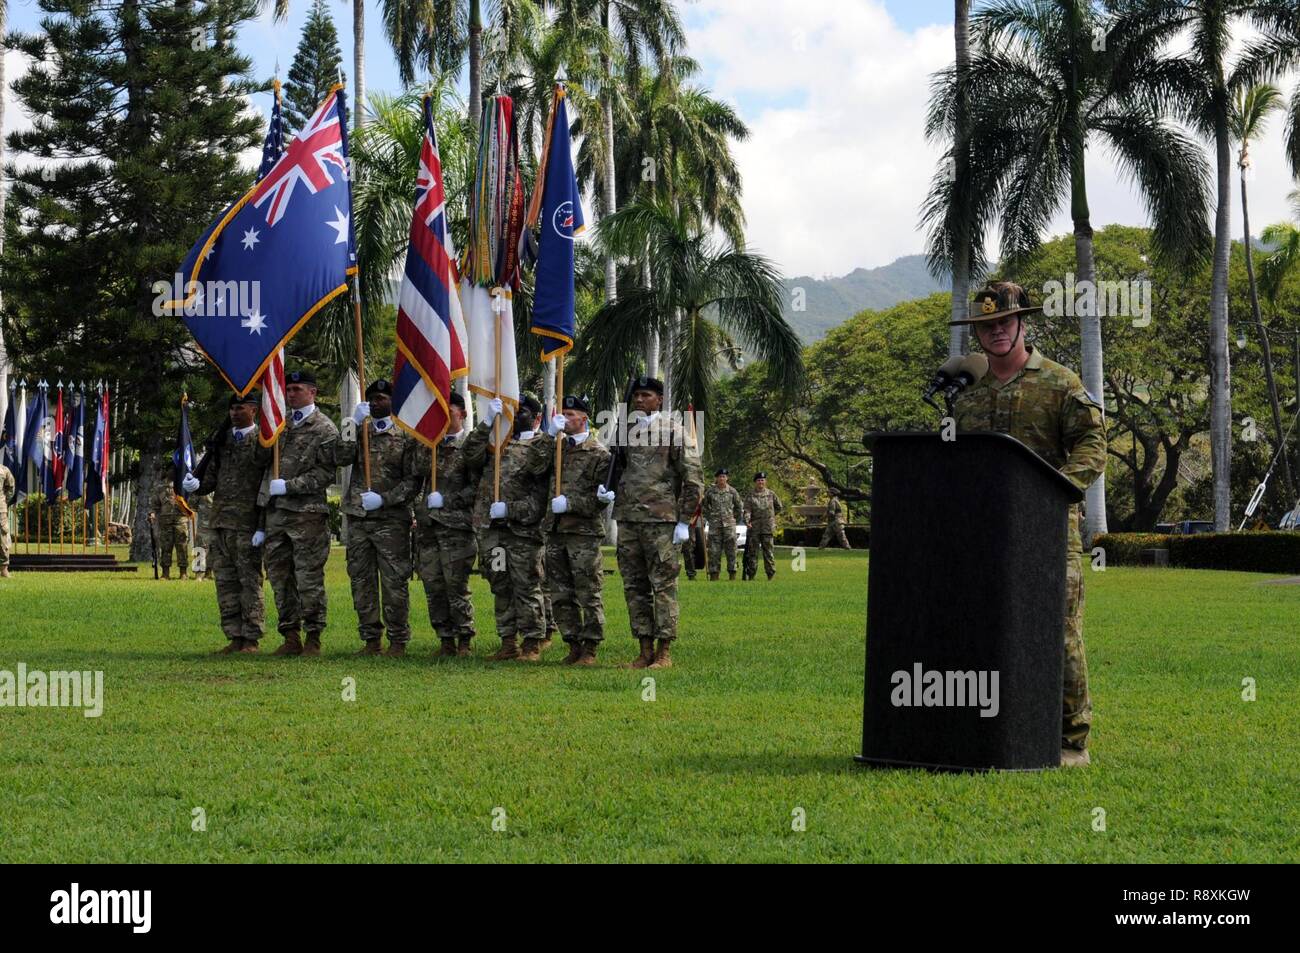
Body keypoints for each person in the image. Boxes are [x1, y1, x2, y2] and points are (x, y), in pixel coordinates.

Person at [949, 281, 1107, 768]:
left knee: (1058, 629)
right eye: (986, 325)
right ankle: (987, 726)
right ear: (976, 334)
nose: (997, 332)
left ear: (1022, 324)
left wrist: (1054, 489)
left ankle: (1070, 740)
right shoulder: (966, 397)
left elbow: (1093, 445)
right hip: (984, 533)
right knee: (979, 625)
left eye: (1004, 322)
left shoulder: (1059, 382)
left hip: (1048, 529)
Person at [605, 376, 704, 669]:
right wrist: (605, 486)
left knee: (663, 586)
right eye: (636, 396)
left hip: (661, 521)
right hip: (628, 519)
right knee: (634, 587)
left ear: (659, 399)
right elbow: (615, 469)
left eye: (646, 395)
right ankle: (644, 649)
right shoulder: (625, 432)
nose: (639, 400)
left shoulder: (675, 432)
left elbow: (694, 480)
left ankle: (664, 652)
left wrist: (684, 521)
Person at [461, 393, 553, 661]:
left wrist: (511, 510)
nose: (515, 416)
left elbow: (539, 483)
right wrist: (487, 421)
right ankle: (508, 641)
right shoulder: (495, 444)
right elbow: (469, 455)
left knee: (526, 585)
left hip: (522, 531)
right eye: (512, 411)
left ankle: (532, 643)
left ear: (536, 418)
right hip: (493, 531)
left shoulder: (541, 446)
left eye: (522, 411)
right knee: (500, 584)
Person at [338, 380, 420, 657]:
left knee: (393, 582)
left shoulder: (406, 436)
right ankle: (371, 640)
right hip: (359, 517)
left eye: (381, 398)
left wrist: (385, 499)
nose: (374, 402)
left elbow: (413, 481)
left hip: (390, 519)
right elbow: (340, 456)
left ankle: (398, 640)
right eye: (371, 398)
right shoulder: (360, 432)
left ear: (393, 402)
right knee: (361, 581)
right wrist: (351, 425)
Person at [261, 369, 339, 657]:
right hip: (277, 515)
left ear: (312, 392)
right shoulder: (278, 425)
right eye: (288, 389)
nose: (291, 394)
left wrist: (291, 486)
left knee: (308, 579)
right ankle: (290, 635)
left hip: (307, 515)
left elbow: (326, 473)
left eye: (296, 389)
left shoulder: (325, 429)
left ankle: (314, 637)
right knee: (280, 578)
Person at [186, 393, 271, 653]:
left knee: (248, 581)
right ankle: (234, 635)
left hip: (247, 522)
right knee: (225, 581)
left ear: (253, 411)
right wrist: (196, 484)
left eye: (240, 408)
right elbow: (211, 479)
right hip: (220, 521)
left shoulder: (262, 441)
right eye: (232, 408)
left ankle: (251, 637)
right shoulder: (222, 441)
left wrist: (262, 526)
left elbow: (267, 483)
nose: (234, 413)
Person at [544, 395, 611, 665]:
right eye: (563, 414)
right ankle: (572, 643)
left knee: (587, 591)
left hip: (582, 532)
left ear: (584, 419)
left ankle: (591, 648)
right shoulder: (557, 449)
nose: (565, 419)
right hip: (555, 530)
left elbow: (601, 499)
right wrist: (549, 436)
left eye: (571, 414)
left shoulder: (599, 454)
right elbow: (534, 465)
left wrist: (570, 504)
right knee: (560, 592)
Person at [414, 390, 480, 658]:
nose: (442, 416)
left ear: (462, 414)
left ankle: (464, 639)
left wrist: (449, 499)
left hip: (456, 528)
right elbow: (417, 473)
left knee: (456, 586)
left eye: (448, 411)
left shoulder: (470, 447)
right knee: (433, 585)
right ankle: (445, 639)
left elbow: (478, 487)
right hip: (429, 527)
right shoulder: (431, 445)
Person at [149, 460, 191, 580]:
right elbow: (155, 505)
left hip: (181, 521)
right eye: (170, 469)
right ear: (166, 471)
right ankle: (165, 573)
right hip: (165, 522)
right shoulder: (160, 488)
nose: (172, 471)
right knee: (166, 547)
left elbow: (190, 503)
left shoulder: (183, 486)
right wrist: (152, 513)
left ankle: (183, 572)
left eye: (175, 469)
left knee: (182, 547)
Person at [701, 467, 744, 580]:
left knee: (732, 551)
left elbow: (739, 507)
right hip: (715, 526)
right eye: (720, 477)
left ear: (727, 478)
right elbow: (704, 507)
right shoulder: (710, 491)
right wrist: (710, 518)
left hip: (729, 526)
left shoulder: (732, 491)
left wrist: (734, 519)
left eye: (724, 476)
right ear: (716, 478)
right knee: (714, 551)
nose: (722, 479)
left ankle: (732, 575)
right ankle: (714, 575)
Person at [743, 471, 782, 581]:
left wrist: (771, 517)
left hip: (767, 528)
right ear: (755, 482)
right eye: (758, 480)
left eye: (762, 480)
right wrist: (747, 521)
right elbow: (747, 510)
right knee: (753, 553)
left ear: (765, 481)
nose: (761, 482)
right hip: (754, 528)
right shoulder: (750, 495)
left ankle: (770, 575)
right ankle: (751, 575)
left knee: (768, 553)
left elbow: (779, 507)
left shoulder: (771, 494)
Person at [0, 461, 14, 578]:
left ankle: (4, 568)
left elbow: (11, 488)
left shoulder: (4, 470)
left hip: (0, 510)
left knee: (2, 538)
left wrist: (3, 502)